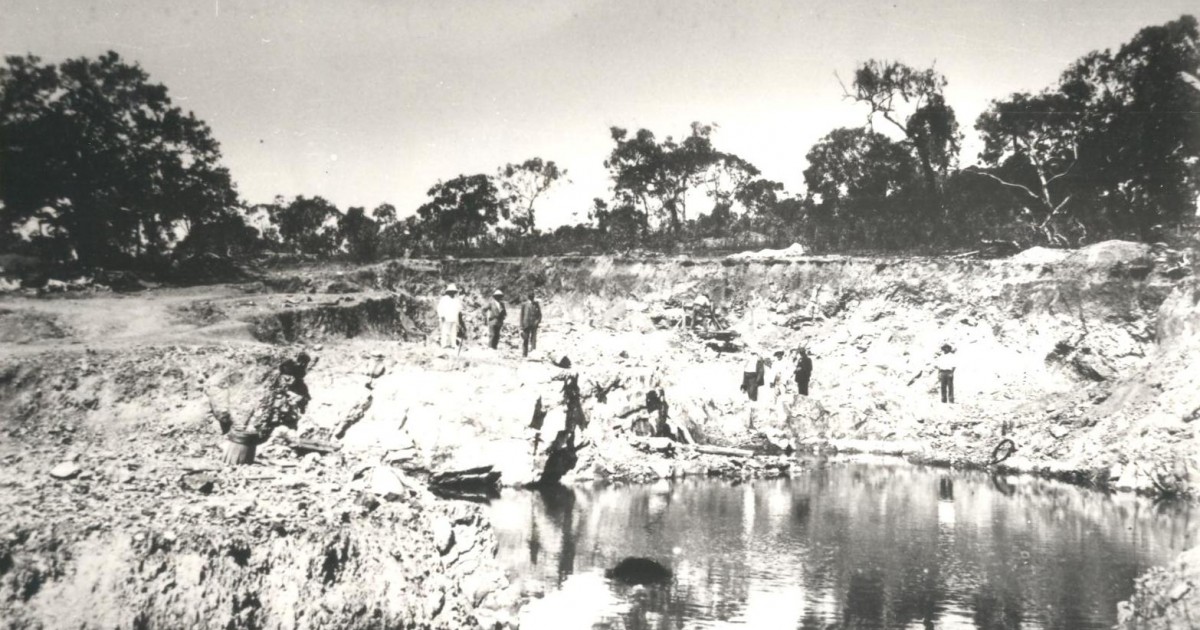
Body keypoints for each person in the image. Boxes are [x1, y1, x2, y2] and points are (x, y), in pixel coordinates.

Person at [437, 284, 463, 348]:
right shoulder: (444, 299)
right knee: (445, 331)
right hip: (446, 318)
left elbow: (459, 308)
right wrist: (442, 316)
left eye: (453, 291)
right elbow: (439, 308)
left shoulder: (456, 300)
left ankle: (453, 344)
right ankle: (444, 344)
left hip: (454, 318)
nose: (452, 292)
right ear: (448, 292)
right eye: (451, 291)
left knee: (454, 332)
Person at [519, 293, 542, 357]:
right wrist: (521, 326)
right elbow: (521, 315)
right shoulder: (524, 304)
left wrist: (537, 322)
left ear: (533, 297)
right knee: (525, 339)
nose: (531, 297)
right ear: (528, 296)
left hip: (534, 325)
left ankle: (533, 353)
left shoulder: (536, 304)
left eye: (532, 296)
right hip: (526, 324)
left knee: (533, 339)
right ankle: (524, 354)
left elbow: (539, 314)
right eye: (530, 296)